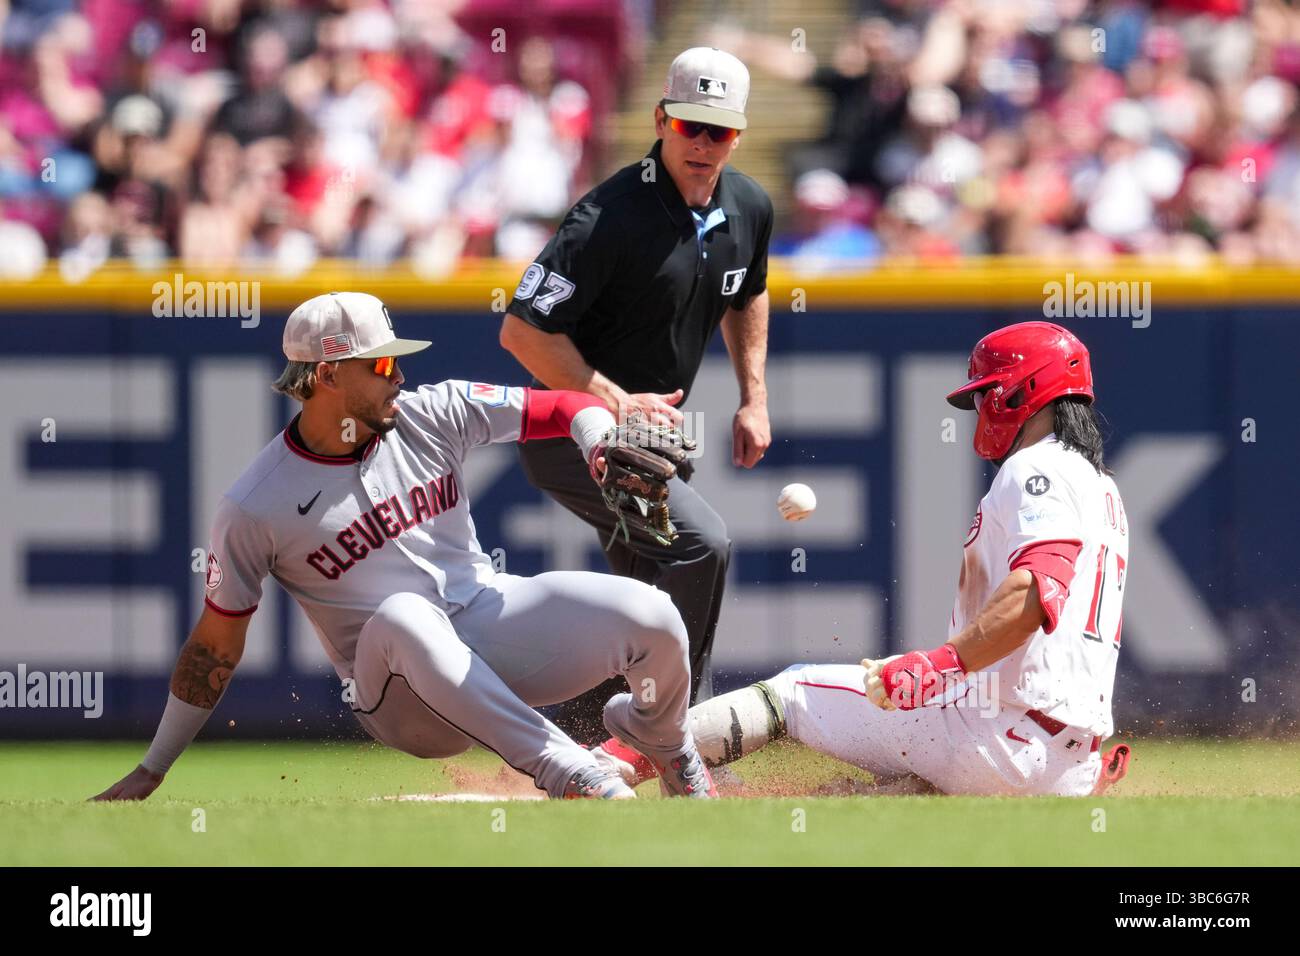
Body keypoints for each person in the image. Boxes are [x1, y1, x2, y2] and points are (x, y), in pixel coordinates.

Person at [93, 291, 716, 802]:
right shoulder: (254, 504)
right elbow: (215, 645)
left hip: (488, 628)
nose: (400, 376)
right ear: (328, 374)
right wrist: (153, 769)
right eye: (384, 365)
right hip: (399, 699)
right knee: (404, 614)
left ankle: (665, 744)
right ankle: (565, 769)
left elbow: (565, 406)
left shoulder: (431, 412)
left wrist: (598, 442)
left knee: (651, 613)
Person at [595, 322, 1133, 797]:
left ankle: (607, 767)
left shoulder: (1034, 469)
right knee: (867, 795)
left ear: (1022, 392)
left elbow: (1037, 591)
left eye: (988, 392)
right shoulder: (1102, 488)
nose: (982, 407)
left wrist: (938, 666)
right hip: (1069, 763)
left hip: (997, 735)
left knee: (793, 691)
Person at [500, 47, 774, 742]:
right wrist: (614, 401)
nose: (705, 144)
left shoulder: (747, 206)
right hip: (572, 433)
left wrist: (754, 396)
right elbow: (522, 332)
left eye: (721, 131)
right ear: (661, 119)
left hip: (641, 438)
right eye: (691, 127)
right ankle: (673, 730)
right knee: (702, 546)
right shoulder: (607, 216)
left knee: (649, 598)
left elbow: (749, 293)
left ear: (739, 134)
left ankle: (594, 739)